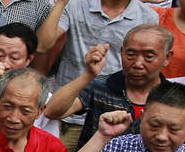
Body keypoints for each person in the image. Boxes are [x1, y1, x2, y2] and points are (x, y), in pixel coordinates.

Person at [43, 24, 175, 143]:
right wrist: (89, 74)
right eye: (131, 54)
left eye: (148, 56)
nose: (138, 63)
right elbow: (52, 111)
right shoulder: (101, 86)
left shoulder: (174, 97)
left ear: (167, 58)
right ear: (122, 52)